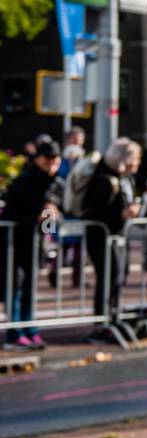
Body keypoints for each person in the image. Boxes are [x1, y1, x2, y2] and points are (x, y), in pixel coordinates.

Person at [1, 140, 63, 349]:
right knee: (15, 286)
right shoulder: (26, 179)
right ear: (38, 159)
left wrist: (51, 218)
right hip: (16, 241)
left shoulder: (55, 182)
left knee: (29, 287)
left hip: (36, 241)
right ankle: (15, 332)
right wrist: (39, 214)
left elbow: (50, 223)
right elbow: (13, 212)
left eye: (55, 159)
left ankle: (29, 328)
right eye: (48, 158)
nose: (52, 163)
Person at [83, 139, 143, 343]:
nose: (137, 163)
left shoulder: (124, 178)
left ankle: (112, 316)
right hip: (102, 237)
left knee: (118, 276)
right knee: (108, 278)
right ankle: (102, 323)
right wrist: (123, 213)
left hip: (116, 237)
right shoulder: (104, 179)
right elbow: (96, 212)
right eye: (134, 158)